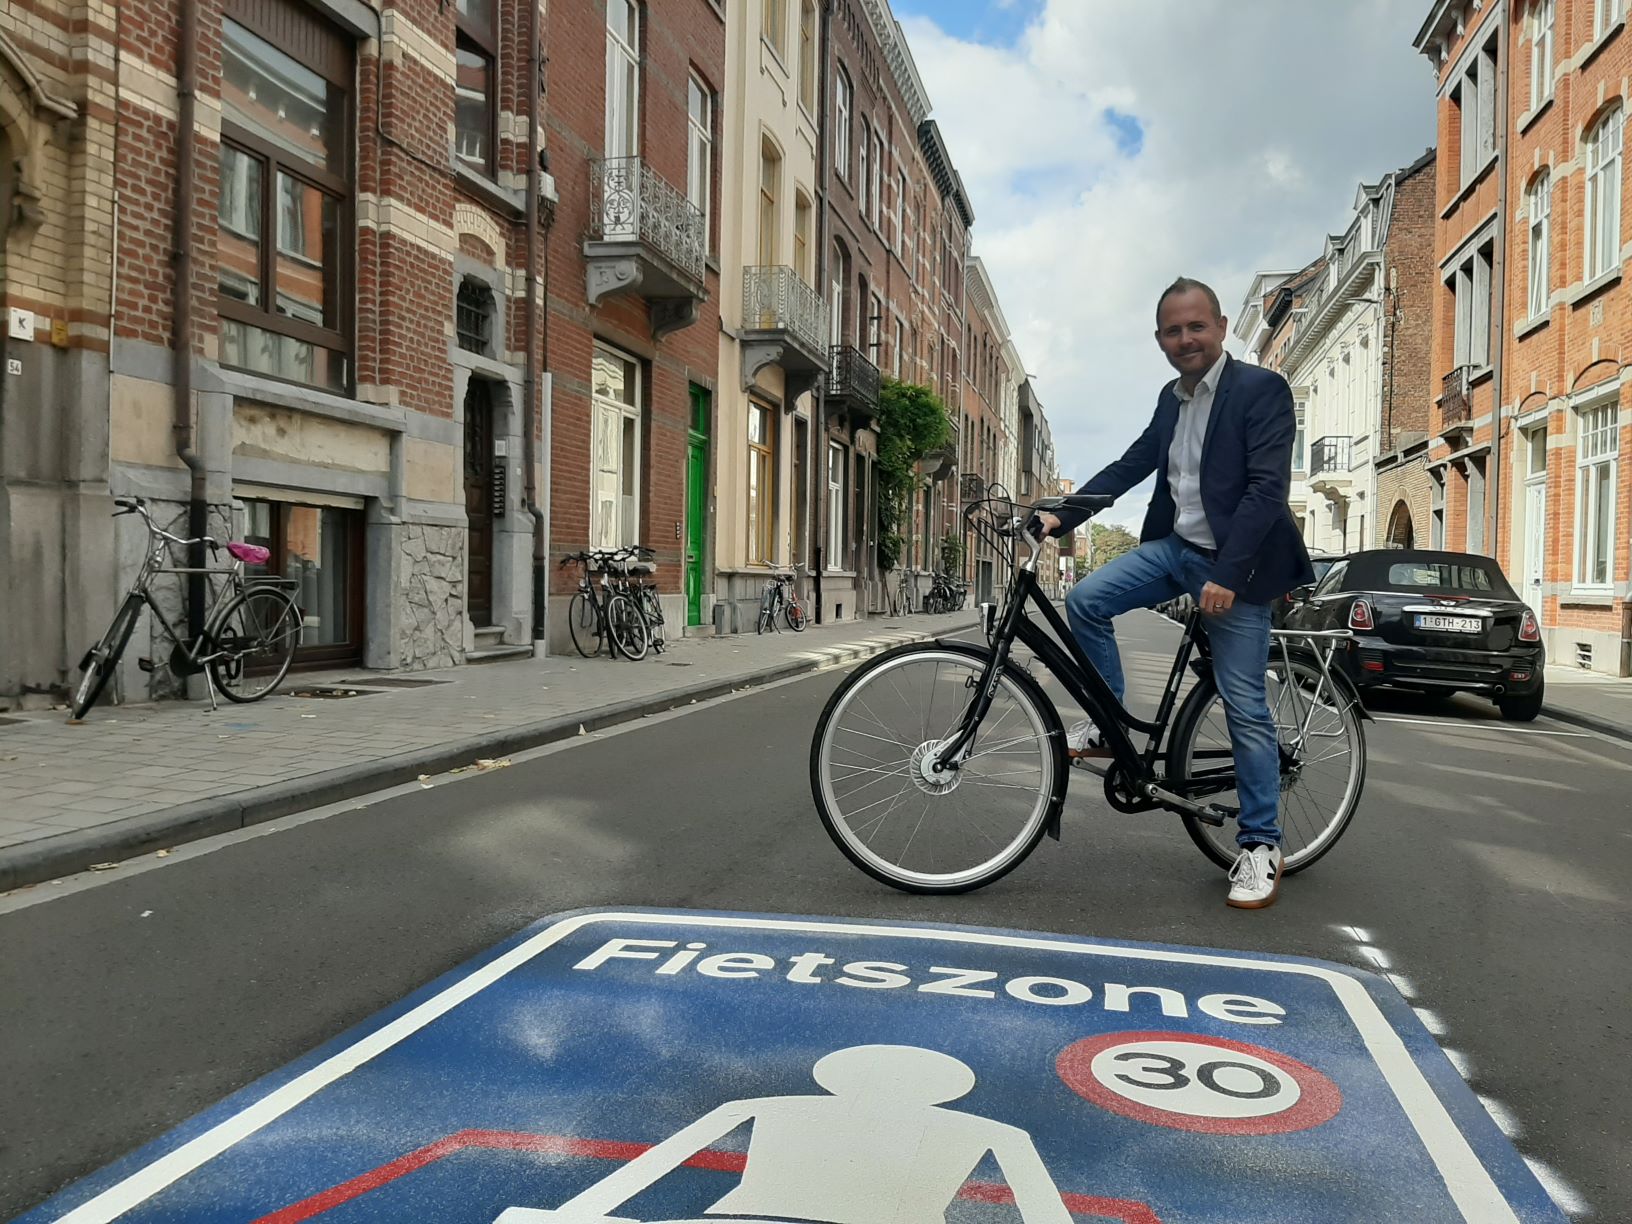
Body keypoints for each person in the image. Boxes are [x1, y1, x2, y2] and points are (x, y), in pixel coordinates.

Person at [1037, 277, 1313, 910]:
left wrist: (1229, 576)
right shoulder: (1172, 398)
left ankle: (1261, 845)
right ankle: (1110, 723)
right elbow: (1133, 464)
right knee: (1086, 601)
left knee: (1244, 706)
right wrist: (1061, 514)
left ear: (1221, 328)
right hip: (1178, 549)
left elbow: (1265, 491)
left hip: (1237, 566)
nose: (1185, 339)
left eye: (1196, 326)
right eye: (1172, 331)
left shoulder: (1260, 389)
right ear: (1159, 339)